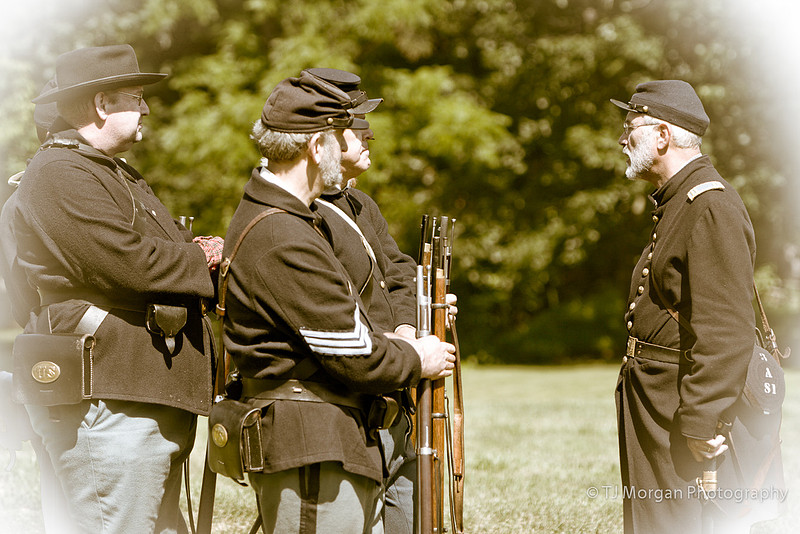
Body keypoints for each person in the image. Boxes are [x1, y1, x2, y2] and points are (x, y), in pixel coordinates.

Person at [221, 69, 455, 533]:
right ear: (316, 146)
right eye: (341, 132)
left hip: (325, 435)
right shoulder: (283, 235)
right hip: (311, 441)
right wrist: (418, 357)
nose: (361, 137)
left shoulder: (292, 220)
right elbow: (355, 353)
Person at [11, 44, 222, 533]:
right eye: (136, 97)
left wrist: (200, 255)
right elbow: (129, 263)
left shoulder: (105, 171)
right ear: (102, 104)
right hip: (109, 402)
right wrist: (208, 258)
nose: (146, 108)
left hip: (133, 392)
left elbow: (158, 251)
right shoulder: (59, 173)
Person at [612, 80, 784, 533]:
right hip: (659, 399)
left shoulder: (708, 205)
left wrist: (702, 419)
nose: (622, 139)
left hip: (681, 407)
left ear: (662, 135)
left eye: (630, 127)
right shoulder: (679, 201)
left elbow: (726, 328)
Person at [308, 67, 420, 534]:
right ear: (329, 138)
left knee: (407, 509)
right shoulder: (307, 213)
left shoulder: (361, 204)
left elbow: (400, 272)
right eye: (358, 126)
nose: (369, 135)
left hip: (392, 377)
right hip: (356, 385)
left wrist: (407, 329)